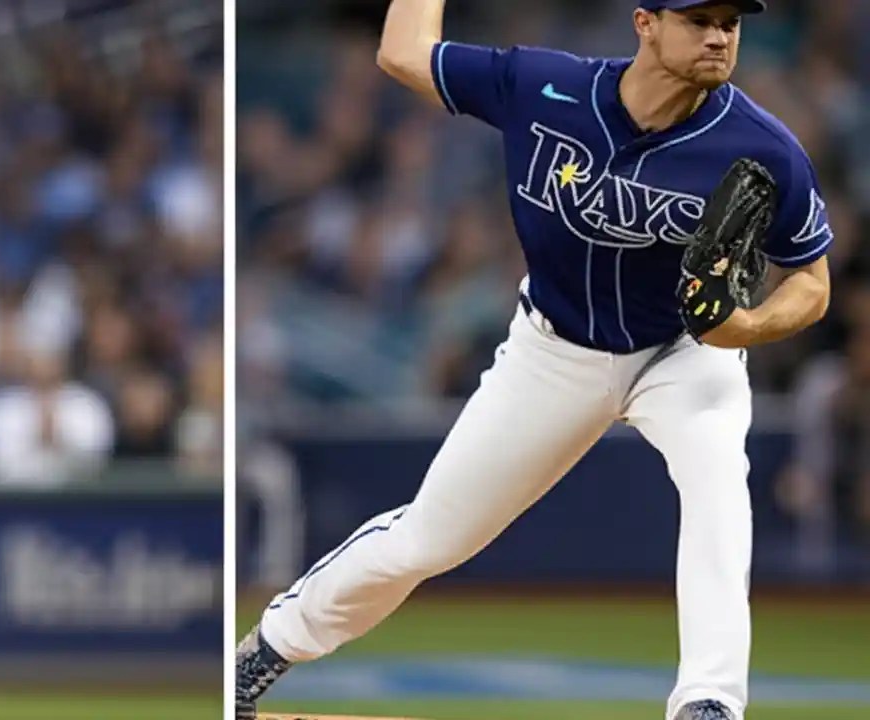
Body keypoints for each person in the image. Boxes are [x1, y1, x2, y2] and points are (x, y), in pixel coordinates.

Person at [236, 2, 834, 720]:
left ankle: (708, 702)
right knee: (432, 535)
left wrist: (756, 324)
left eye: (730, 23)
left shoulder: (760, 145)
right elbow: (402, 53)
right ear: (645, 23)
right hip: (554, 351)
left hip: (683, 351)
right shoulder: (545, 87)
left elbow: (813, 279)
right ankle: (264, 651)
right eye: (698, 18)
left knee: (717, 486)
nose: (718, 36)